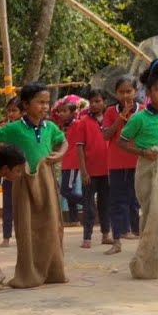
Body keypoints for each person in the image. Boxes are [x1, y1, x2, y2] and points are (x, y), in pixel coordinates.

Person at [0, 82, 68, 289]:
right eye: (39, 102)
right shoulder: (14, 128)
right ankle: (28, 274)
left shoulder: (50, 127)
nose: (44, 107)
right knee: (26, 226)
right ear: (26, 104)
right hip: (23, 181)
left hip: (46, 179)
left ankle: (53, 271)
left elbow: (63, 142)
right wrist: (6, 158)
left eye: (46, 103)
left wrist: (59, 154)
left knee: (51, 224)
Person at [117, 66, 158, 280]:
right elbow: (122, 141)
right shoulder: (139, 118)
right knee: (153, 217)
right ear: (148, 93)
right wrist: (143, 152)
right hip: (149, 170)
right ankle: (146, 266)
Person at [103, 76, 142, 254]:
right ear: (116, 93)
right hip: (116, 163)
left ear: (135, 92)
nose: (125, 95)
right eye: (121, 92)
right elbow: (106, 135)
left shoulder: (143, 111)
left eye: (129, 91)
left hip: (138, 160)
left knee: (137, 201)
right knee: (117, 201)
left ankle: (140, 236)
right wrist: (121, 117)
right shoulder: (111, 111)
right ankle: (116, 240)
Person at [74, 89, 111, 248]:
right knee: (88, 206)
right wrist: (83, 171)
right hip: (90, 172)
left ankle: (105, 234)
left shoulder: (110, 120)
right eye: (92, 101)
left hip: (107, 171)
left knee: (105, 204)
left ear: (104, 102)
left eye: (98, 101)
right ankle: (87, 237)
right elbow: (80, 149)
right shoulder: (83, 122)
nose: (95, 104)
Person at [55, 96, 85, 225]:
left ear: (73, 113)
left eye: (64, 111)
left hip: (73, 161)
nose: (61, 113)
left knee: (65, 190)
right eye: (60, 111)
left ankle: (87, 202)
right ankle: (74, 219)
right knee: (68, 191)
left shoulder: (78, 124)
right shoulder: (62, 126)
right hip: (65, 161)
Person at [0, 96, 24, 247]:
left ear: (22, 112)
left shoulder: (26, 128)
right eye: (9, 111)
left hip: (23, 172)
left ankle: (24, 235)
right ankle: (6, 237)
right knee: (8, 205)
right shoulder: (4, 127)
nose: (11, 114)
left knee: (23, 206)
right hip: (8, 172)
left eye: (14, 110)